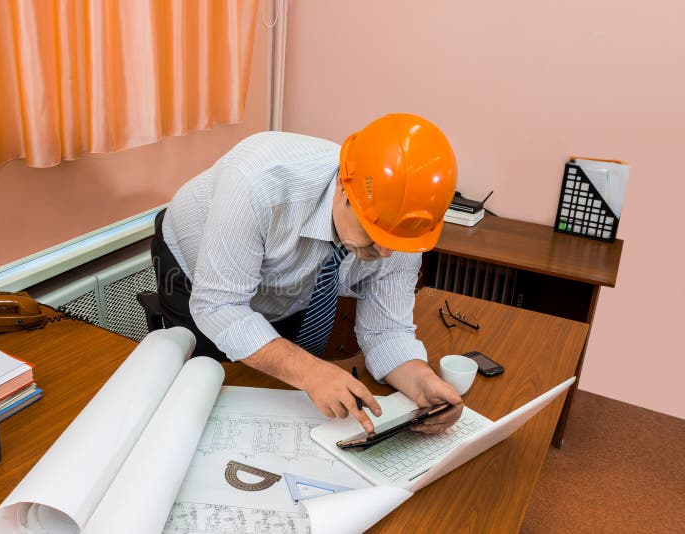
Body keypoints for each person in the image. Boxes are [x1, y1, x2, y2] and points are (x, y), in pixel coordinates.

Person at [151, 113, 463, 435]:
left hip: (284, 283)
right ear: (344, 187)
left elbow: (387, 331)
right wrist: (310, 372)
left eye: (398, 243)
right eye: (376, 234)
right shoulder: (257, 185)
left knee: (283, 382)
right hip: (196, 268)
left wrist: (422, 382)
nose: (385, 253)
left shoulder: (400, 232)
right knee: (213, 389)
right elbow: (219, 307)